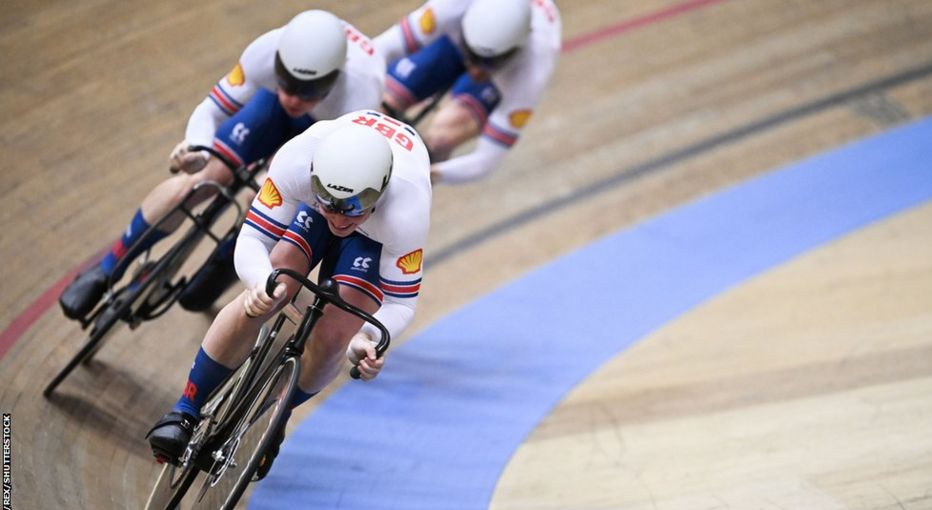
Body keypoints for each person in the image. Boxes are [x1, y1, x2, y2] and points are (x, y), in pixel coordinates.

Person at [146, 110, 432, 478]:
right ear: (315, 179)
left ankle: (276, 412)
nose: (339, 218)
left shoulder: (405, 212)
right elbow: (252, 239)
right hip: (310, 208)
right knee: (273, 289)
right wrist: (260, 283)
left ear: (379, 193)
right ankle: (185, 409)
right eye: (329, 201)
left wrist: (368, 337)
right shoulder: (297, 161)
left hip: (373, 241)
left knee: (333, 337)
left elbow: (400, 303)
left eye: (352, 208)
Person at [59, 9, 386, 320]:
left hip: (324, 137)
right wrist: (196, 148)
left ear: (333, 79)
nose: (293, 98)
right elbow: (211, 109)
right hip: (268, 112)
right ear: (279, 63)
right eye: (285, 82)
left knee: (267, 201)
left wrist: (271, 181)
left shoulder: (361, 91)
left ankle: (224, 264)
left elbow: (331, 171)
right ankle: (105, 269)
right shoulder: (265, 50)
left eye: (308, 92)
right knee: (202, 179)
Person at [372, 0, 561, 184]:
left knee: (442, 140)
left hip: (502, 77)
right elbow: (375, 51)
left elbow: (485, 161)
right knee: (384, 101)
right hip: (452, 43)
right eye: (472, 56)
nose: (474, 70)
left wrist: (426, 175)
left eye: (487, 63)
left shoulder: (532, 69)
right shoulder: (451, 7)